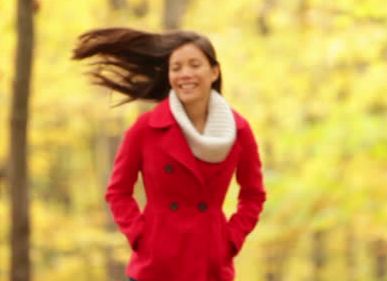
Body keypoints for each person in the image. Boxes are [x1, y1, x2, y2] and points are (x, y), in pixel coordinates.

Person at [72, 27, 266, 281]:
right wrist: (141, 236)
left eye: (195, 65)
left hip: (209, 266)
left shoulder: (238, 131)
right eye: (176, 68)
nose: (185, 74)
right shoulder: (146, 128)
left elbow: (253, 195)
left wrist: (230, 240)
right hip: (155, 266)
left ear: (214, 72)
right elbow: (118, 191)